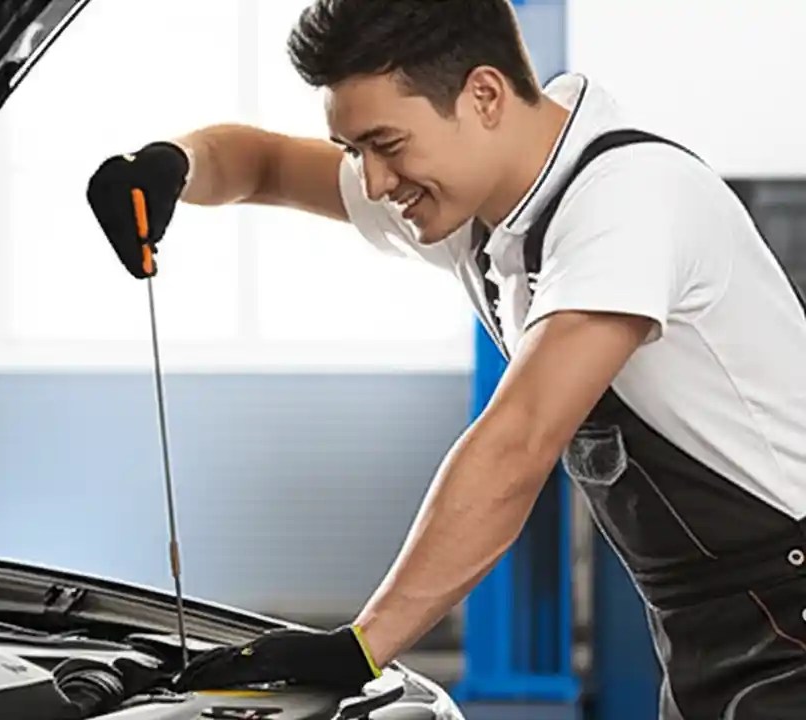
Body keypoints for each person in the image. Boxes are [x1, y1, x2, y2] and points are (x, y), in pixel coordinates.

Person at [84, 1, 806, 718]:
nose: (371, 182)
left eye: (386, 145)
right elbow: (266, 166)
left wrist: (360, 648)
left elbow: (515, 445)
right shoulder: (483, 195)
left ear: (484, 96)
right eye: (351, 151)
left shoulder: (626, 201)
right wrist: (174, 163)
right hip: (706, 625)